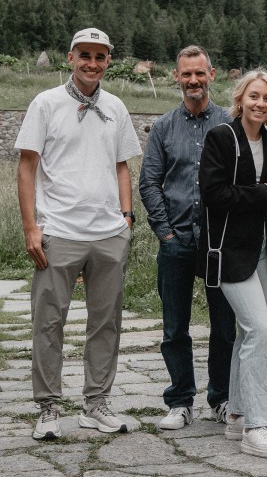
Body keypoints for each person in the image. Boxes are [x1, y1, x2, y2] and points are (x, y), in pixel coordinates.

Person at [17, 27, 140, 441]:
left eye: (100, 56)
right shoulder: (45, 103)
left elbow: (123, 165)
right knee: (48, 322)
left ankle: (96, 404)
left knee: (106, 323)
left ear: (108, 60)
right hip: (59, 231)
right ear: (70, 58)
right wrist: (31, 227)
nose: (92, 63)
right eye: (84, 55)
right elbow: (27, 166)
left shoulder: (117, 106)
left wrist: (126, 219)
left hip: (108, 233)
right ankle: (48, 407)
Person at [199, 70, 267, 459]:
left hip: (265, 254)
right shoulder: (220, 138)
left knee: (249, 333)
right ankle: (259, 426)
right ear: (241, 98)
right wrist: (260, 193)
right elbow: (213, 194)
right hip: (228, 254)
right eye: (254, 96)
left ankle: (237, 413)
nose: (260, 103)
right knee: (259, 329)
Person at [140, 44, 236, 429]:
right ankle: (180, 400)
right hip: (177, 239)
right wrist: (164, 232)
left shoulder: (231, 123)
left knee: (225, 326)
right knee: (174, 325)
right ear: (176, 77)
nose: (193, 80)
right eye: (186, 74)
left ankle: (222, 398)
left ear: (211, 75)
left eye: (200, 73)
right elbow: (150, 182)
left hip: (220, 242)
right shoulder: (163, 127)